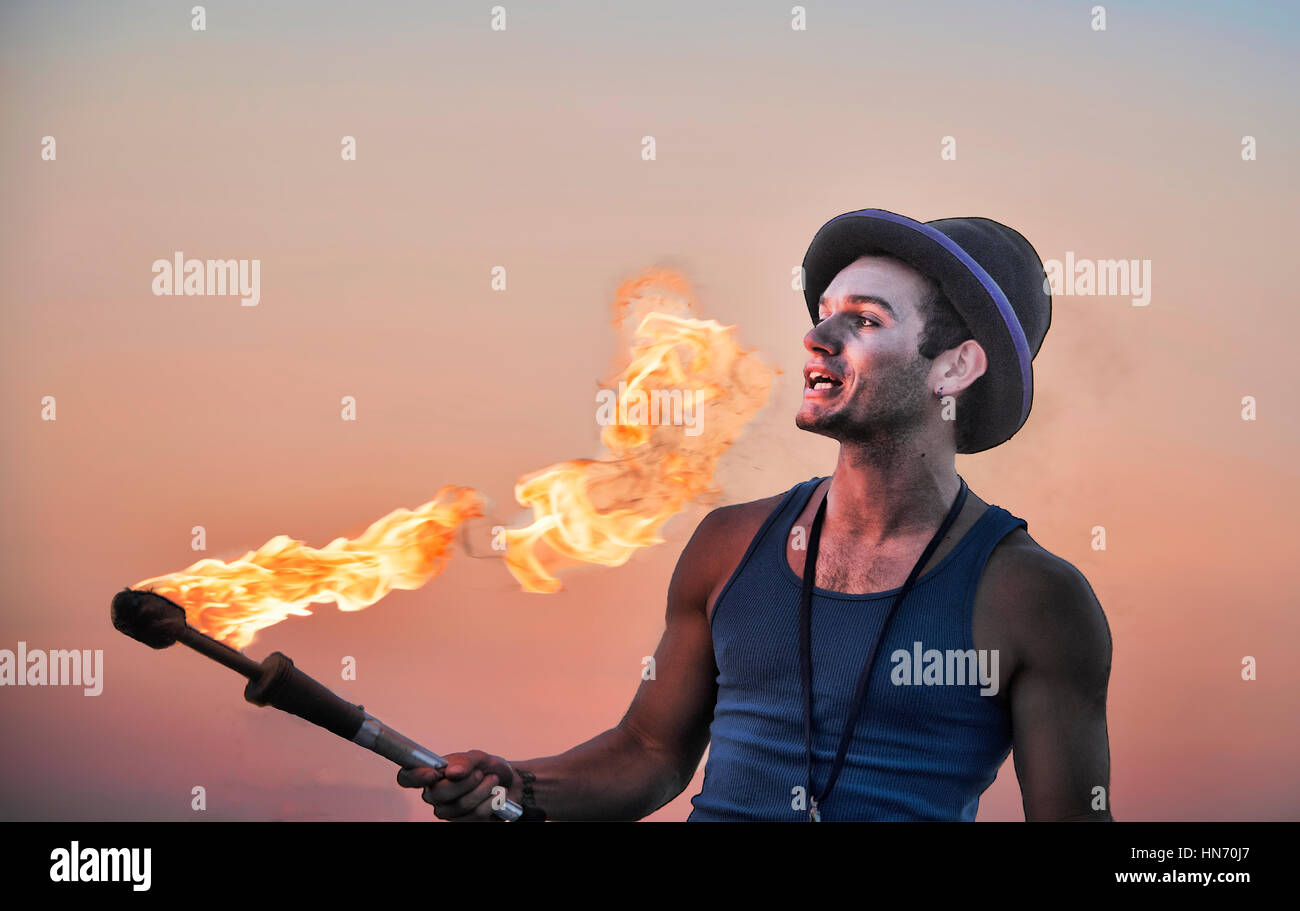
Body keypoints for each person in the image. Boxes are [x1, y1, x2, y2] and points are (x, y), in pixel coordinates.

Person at [397, 208, 1113, 821]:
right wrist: (518, 783)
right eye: (825, 310)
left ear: (954, 369)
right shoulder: (730, 545)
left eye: (863, 318)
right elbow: (648, 753)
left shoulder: (1034, 598)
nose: (818, 335)